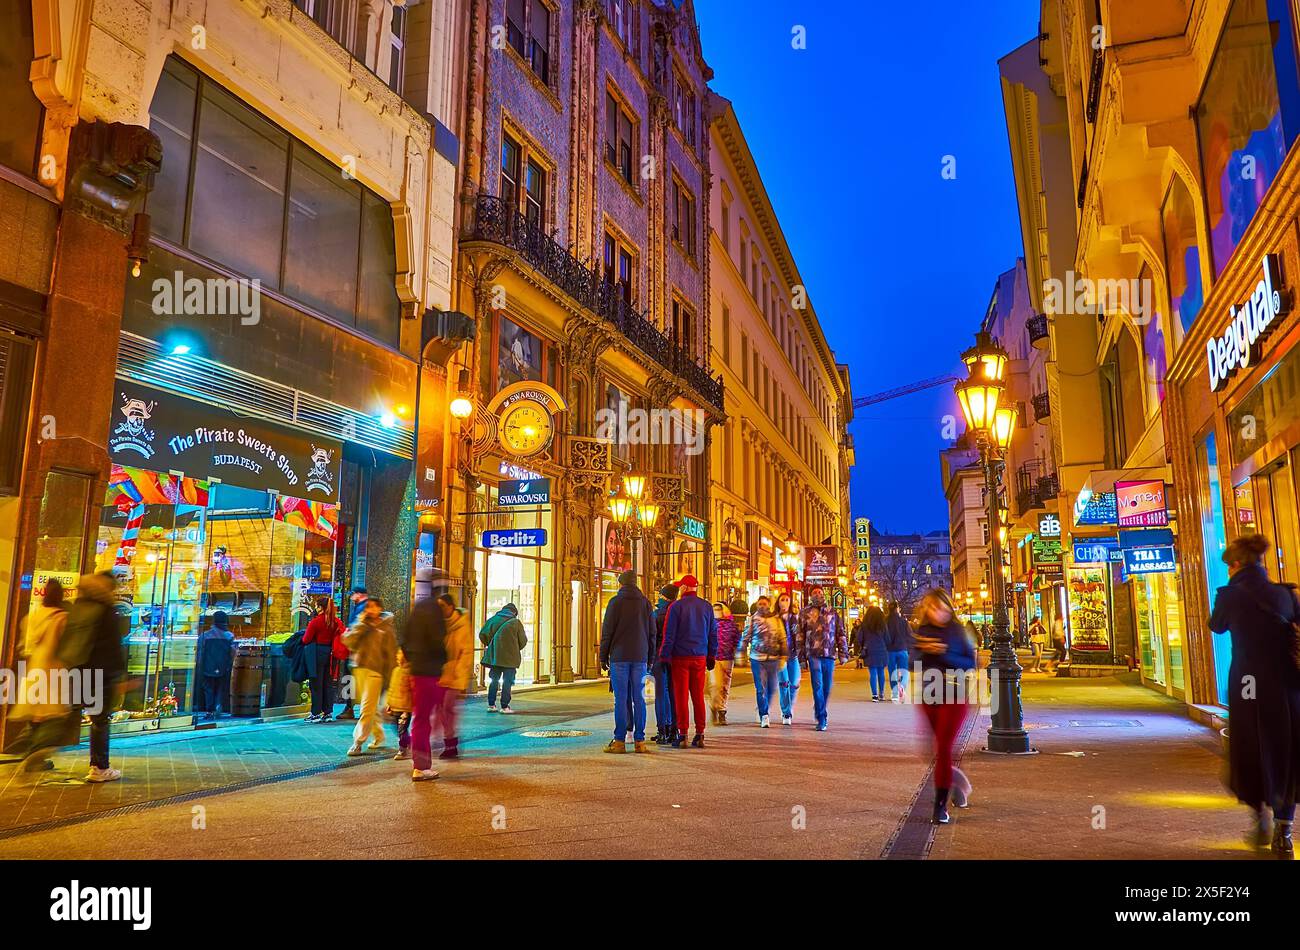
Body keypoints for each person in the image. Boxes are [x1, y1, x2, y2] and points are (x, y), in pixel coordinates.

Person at [1209, 534, 1300, 856]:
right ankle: (1285, 830)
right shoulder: (1284, 594)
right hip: (1286, 684)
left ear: (1235, 565)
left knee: (1252, 746)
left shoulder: (1231, 595)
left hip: (1248, 683)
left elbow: (1215, 625)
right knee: (1286, 749)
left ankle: (1260, 814)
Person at [913, 588, 977, 825]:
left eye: (940, 607)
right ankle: (955, 783)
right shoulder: (923, 630)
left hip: (955, 696)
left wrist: (944, 652)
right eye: (930, 608)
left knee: (943, 748)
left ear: (948, 608)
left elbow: (970, 662)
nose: (936, 612)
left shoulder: (958, 631)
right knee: (931, 752)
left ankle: (940, 806)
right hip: (929, 695)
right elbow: (912, 662)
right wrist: (922, 651)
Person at [58, 573, 127, 783]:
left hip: (77, 669)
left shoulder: (78, 606)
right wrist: (121, 674)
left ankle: (42, 745)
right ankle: (99, 767)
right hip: (101, 673)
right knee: (99, 721)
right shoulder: (106, 610)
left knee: (72, 712)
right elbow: (114, 646)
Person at [11, 580, 70, 774]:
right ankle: (36, 752)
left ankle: (29, 750)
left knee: (37, 711)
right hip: (53, 668)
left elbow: (22, 646)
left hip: (34, 667)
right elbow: (66, 647)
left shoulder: (31, 616)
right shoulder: (62, 618)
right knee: (55, 713)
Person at [599, 570, 656, 753]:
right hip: (640, 657)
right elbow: (652, 633)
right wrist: (650, 658)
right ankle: (640, 741)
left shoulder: (615, 603)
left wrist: (603, 656)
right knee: (639, 699)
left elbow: (607, 632)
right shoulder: (646, 604)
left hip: (619, 657)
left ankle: (619, 741)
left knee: (621, 700)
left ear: (621, 584)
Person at [658, 574, 717, 748]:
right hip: (699, 657)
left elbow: (669, 635)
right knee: (698, 696)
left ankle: (683, 735)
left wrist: (665, 656)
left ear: (684, 588)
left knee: (681, 696)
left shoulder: (676, 607)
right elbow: (713, 633)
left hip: (680, 658)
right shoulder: (707, 607)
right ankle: (700, 734)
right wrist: (711, 655)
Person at [399, 594, 449, 782]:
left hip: (417, 672)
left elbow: (403, 643)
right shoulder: (432, 614)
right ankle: (421, 766)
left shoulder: (415, 616)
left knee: (421, 719)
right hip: (429, 673)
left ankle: (420, 764)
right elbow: (439, 644)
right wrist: (442, 660)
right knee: (424, 720)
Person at [343, 596, 397, 756]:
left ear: (380, 608)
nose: (371, 610)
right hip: (358, 669)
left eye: (374, 606)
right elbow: (348, 641)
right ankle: (379, 735)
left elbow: (391, 654)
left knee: (365, 708)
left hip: (376, 672)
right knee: (369, 708)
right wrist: (360, 625)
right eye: (368, 607)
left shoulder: (386, 628)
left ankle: (358, 742)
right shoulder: (362, 624)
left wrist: (391, 678)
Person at [797, 586, 849, 731]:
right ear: (810, 596)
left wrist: (843, 653)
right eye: (814, 592)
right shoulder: (804, 613)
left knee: (827, 687)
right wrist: (801, 658)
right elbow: (800, 636)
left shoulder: (832, 612)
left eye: (820, 592)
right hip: (813, 654)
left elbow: (840, 633)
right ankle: (822, 717)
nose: (818, 594)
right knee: (818, 685)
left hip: (829, 654)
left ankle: (820, 706)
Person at [740, 595, 787, 727]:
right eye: (759, 604)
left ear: (769, 605)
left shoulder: (776, 619)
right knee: (760, 688)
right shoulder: (753, 619)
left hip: (773, 659)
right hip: (757, 658)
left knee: (771, 687)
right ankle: (764, 714)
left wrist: (784, 655)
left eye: (764, 604)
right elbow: (746, 636)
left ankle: (765, 707)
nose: (762, 606)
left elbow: (782, 637)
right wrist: (741, 652)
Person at [436, 593, 473, 759]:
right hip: (439, 674)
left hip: (455, 676)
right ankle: (449, 742)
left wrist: (459, 673)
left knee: (447, 708)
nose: (440, 610)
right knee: (441, 710)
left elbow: (466, 652)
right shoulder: (438, 624)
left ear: (451, 606)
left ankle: (451, 744)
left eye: (443, 606)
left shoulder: (462, 625)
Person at [480, 602, 528, 713]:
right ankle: (505, 706)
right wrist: (514, 648)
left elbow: (482, 634)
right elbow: (523, 641)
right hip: (510, 658)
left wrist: (492, 645)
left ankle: (491, 705)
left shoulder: (492, 620)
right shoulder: (516, 623)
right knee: (508, 681)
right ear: (514, 612)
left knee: (494, 680)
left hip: (495, 657)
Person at [302, 596, 344, 722]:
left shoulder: (315, 622)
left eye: (316, 605)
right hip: (331, 655)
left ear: (320, 607)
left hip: (317, 654)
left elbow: (306, 639)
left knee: (316, 684)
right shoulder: (336, 621)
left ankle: (315, 713)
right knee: (328, 684)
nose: (315, 607)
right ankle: (328, 712)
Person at [651, 584, 679, 743]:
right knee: (673, 693)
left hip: (659, 657)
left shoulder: (657, 614)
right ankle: (673, 729)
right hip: (675, 657)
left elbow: (652, 637)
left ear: (664, 596)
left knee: (661, 693)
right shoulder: (678, 612)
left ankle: (662, 730)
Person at [196, 610, 235, 720]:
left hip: (207, 667)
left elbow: (199, 652)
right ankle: (218, 706)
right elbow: (233, 653)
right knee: (220, 688)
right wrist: (230, 664)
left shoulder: (205, 635)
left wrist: (199, 664)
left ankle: (209, 710)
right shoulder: (229, 636)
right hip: (223, 667)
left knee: (208, 689)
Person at [708, 601, 741, 726]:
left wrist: (737, 651)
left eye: (719, 608)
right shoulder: (709, 624)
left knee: (725, 687)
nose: (716, 611)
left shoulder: (731, 625)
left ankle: (722, 711)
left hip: (727, 659)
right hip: (713, 658)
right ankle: (714, 705)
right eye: (714, 608)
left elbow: (737, 640)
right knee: (715, 684)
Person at [338, 586, 368, 721]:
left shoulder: (363, 608)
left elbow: (357, 628)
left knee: (352, 678)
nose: (351, 597)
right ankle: (352, 708)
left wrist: (348, 636)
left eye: (353, 594)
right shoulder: (361, 607)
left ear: (359, 594)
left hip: (358, 651)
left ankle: (351, 708)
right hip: (358, 650)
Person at [776, 592, 801, 725]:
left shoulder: (794, 618)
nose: (785, 602)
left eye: (787, 600)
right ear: (778, 602)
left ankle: (788, 705)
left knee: (794, 684)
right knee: (784, 683)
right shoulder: (775, 618)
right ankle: (786, 712)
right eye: (782, 600)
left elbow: (798, 635)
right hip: (780, 657)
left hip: (793, 655)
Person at [885, 601, 913, 702]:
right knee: (904, 671)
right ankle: (902, 686)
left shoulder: (885, 621)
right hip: (902, 649)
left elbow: (884, 636)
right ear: (897, 609)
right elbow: (910, 635)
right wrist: (910, 648)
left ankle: (895, 693)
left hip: (890, 651)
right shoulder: (904, 621)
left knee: (892, 672)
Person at [860, 605, 889, 701]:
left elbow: (859, 637)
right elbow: (887, 639)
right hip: (881, 650)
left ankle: (874, 695)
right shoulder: (883, 625)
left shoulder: (865, 625)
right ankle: (881, 694)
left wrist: (864, 645)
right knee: (881, 672)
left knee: (873, 673)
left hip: (870, 650)